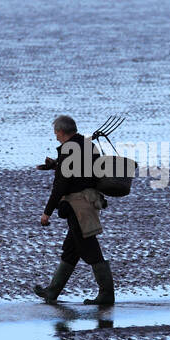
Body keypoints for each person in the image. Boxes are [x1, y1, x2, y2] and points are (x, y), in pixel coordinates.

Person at [32, 115, 115, 306]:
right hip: (89, 202)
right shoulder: (88, 146)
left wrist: (47, 212)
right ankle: (52, 291)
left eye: (56, 133)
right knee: (70, 250)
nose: (56, 137)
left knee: (91, 249)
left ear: (61, 132)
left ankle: (107, 294)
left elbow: (60, 186)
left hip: (78, 206)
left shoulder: (68, 151)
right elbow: (88, 173)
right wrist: (56, 165)